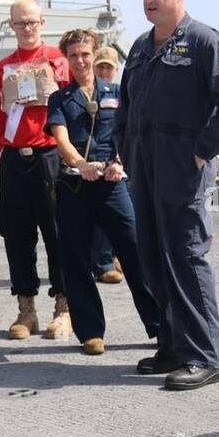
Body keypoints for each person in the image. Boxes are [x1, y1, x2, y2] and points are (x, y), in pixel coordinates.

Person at [116, 0, 219, 390]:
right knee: (152, 257)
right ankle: (171, 346)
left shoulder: (204, 41)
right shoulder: (139, 47)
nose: (150, 0)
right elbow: (126, 106)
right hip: (142, 169)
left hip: (182, 170)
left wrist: (203, 152)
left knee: (186, 257)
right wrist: (122, 149)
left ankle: (205, 355)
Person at [46, 29, 159, 355]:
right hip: (75, 186)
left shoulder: (117, 92)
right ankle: (91, 332)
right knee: (76, 260)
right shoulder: (60, 99)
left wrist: (120, 162)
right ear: (65, 59)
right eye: (73, 56)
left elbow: (130, 131)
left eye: (85, 54)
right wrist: (80, 163)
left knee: (137, 253)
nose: (80, 61)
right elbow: (61, 139)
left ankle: (160, 326)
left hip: (112, 186)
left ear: (95, 54)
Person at [0, 0, 70, 340]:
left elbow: (72, 110)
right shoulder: (2, 67)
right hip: (14, 160)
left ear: (42, 23)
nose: (27, 28)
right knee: (17, 237)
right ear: (11, 25)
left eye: (32, 22)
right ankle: (26, 309)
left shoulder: (58, 61)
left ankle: (63, 308)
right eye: (20, 23)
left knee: (57, 234)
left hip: (50, 157)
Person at [89, 47, 123, 285]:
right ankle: (103, 264)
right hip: (90, 164)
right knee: (96, 219)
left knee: (122, 217)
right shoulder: (84, 94)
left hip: (117, 164)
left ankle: (115, 257)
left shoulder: (122, 94)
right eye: (100, 66)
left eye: (108, 67)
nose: (103, 71)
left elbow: (129, 129)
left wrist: (121, 160)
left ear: (116, 70)